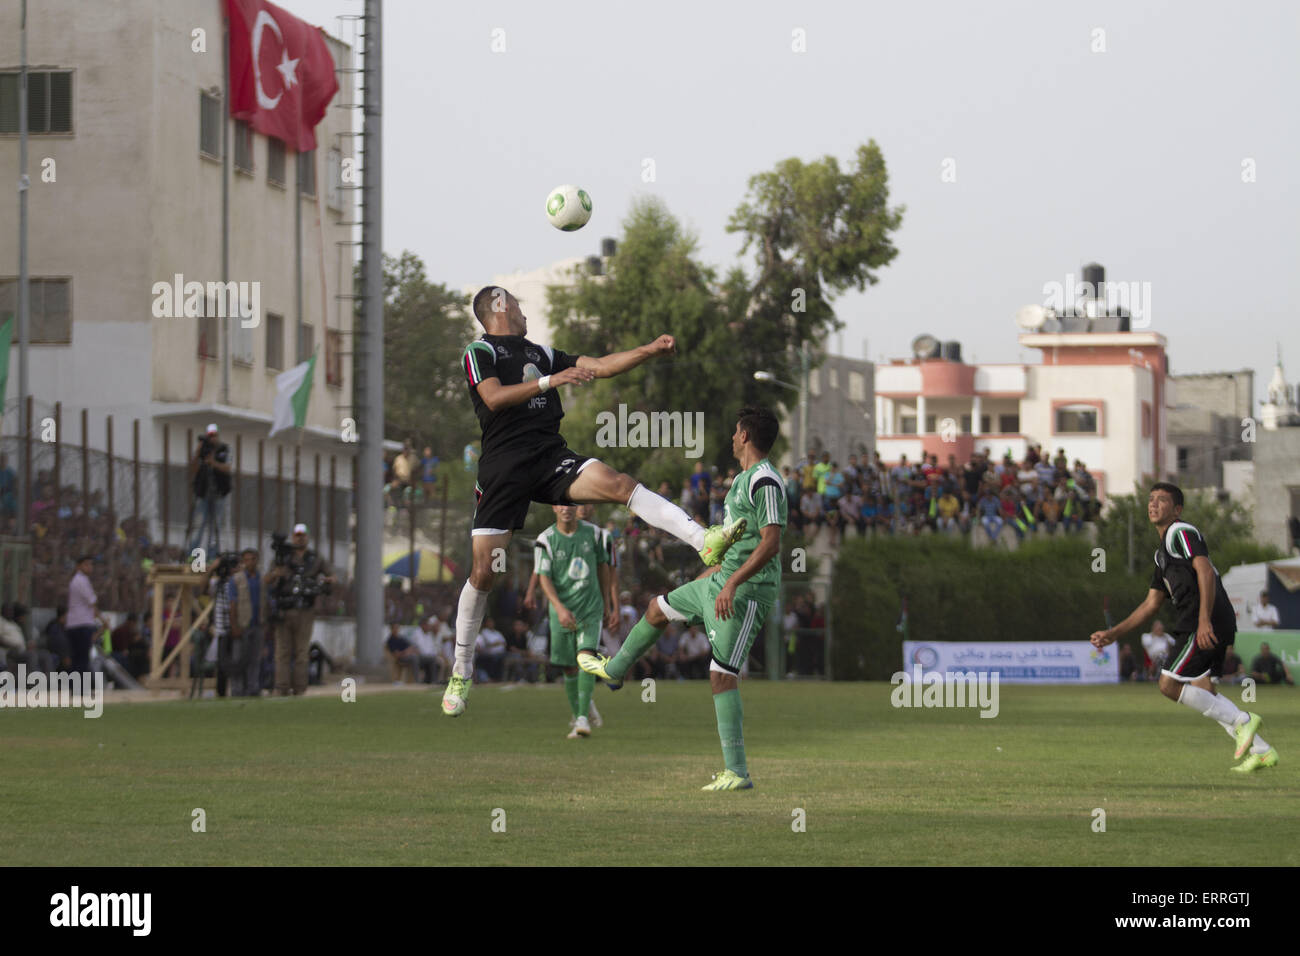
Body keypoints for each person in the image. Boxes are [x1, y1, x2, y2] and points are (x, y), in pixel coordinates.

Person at [440, 287, 745, 717]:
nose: (524, 311)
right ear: (499, 306)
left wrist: (650, 350)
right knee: (484, 572)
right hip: (504, 468)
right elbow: (492, 397)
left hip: (549, 457)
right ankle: (462, 666)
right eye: (518, 303)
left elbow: (599, 367)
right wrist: (549, 381)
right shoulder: (480, 351)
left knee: (619, 483)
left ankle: (703, 539)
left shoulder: (540, 351)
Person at [580, 406, 787, 791]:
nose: (731, 437)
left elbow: (771, 544)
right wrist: (712, 577)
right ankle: (616, 669)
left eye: (735, 431)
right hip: (721, 582)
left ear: (745, 436)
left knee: (721, 675)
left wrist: (730, 585)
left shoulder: (765, 481)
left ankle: (737, 772)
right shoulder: (742, 481)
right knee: (656, 609)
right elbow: (734, 547)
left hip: (746, 593)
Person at [1090, 482, 1278, 773]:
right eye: (1151, 500)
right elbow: (1151, 605)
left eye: (1161, 500)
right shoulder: (1161, 556)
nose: (1153, 504)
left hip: (1203, 619)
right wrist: (1113, 634)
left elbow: (1204, 570)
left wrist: (1203, 620)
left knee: (1168, 685)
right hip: (1211, 617)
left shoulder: (1181, 532)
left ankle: (1243, 721)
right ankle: (1262, 750)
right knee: (1204, 688)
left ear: (1177, 509)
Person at [534, 504, 617, 738]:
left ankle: (582, 718)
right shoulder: (545, 539)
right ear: (553, 507)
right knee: (569, 667)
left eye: (570, 503)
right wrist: (559, 608)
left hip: (590, 608)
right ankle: (580, 711)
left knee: (586, 659)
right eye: (560, 503)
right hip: (561, 612)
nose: (566, 508)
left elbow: (605, 568)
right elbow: (544, 577)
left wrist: (607, 604)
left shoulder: (596, 535)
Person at [265, 524, 336, 696]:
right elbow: (267, 579)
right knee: (282, 651)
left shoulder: (315, 557)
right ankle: (281, 687)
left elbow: (332, 576)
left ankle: (299, 688)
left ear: (307, 537)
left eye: (303, 535)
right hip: (285, 608)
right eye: (297, 535)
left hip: (305, 609)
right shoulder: (283, 555)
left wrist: (326, 581)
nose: (300, 538)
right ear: (292, 536)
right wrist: (276, 574)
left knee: (302, 652)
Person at [188, 423, 232, 554]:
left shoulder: (224, 449)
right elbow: (193, 469)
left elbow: (227, 468)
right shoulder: (202, 452)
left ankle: (212, 555)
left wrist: (213, 462)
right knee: (198, 526)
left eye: (214, 435)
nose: (212, 438)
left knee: (215, 527)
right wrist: (198, 452)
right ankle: (193, 555)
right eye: (209, 436)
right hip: (203, 493)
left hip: (219, 493)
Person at [228, 548, 266, 696]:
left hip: (257, 624)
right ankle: (237, 689)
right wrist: (234, 625)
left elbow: (264, 601)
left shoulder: (260, 579)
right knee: (238, 658)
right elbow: (232, 603)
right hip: (242, 624)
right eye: (246, 560)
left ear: (257, 560)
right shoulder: (236, 579)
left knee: (255, 658)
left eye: (252, 559)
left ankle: (253, 687)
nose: (250, 563)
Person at [66, 554, 109, 674]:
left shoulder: (76, 581)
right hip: (81, 623)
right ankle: (80, 688)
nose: (90, 567)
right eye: (86, 564)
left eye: (91, 564)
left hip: (74, 623)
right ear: (78, 566)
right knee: (82, 658)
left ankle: (76, 687)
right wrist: (103, 620)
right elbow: (92, 602)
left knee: (77, 657)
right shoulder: (81, 580)